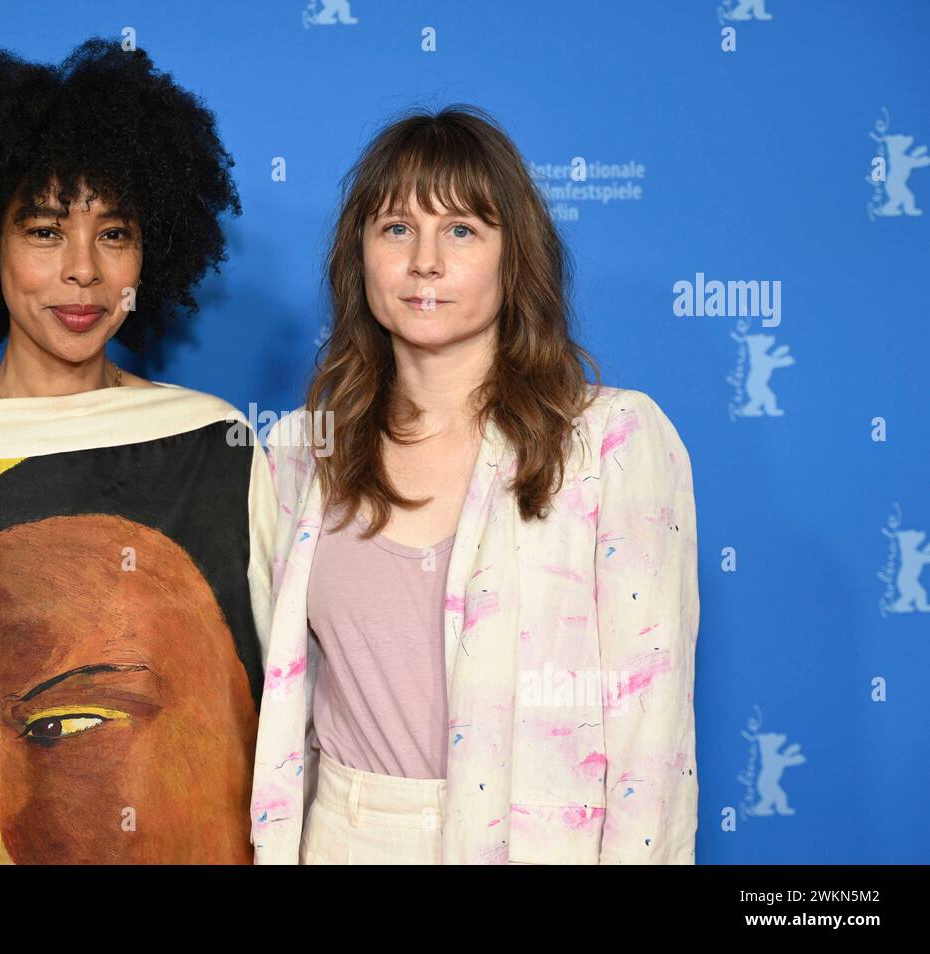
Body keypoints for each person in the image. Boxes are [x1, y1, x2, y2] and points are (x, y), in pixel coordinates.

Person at [0, 38, 275, 863]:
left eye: (114, 234)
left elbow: (283, 730)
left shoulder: (219, 442)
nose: (82, 273)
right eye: (42, 231)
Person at [249, 105, 699, 865]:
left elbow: (649, 735)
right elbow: (288, 704)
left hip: (540, 842)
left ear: (512, 256)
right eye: (396, 228)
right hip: (347, 836)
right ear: (359, 256)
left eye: (461, 230)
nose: (425, 261)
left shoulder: (611, 442)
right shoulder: (299, 451)